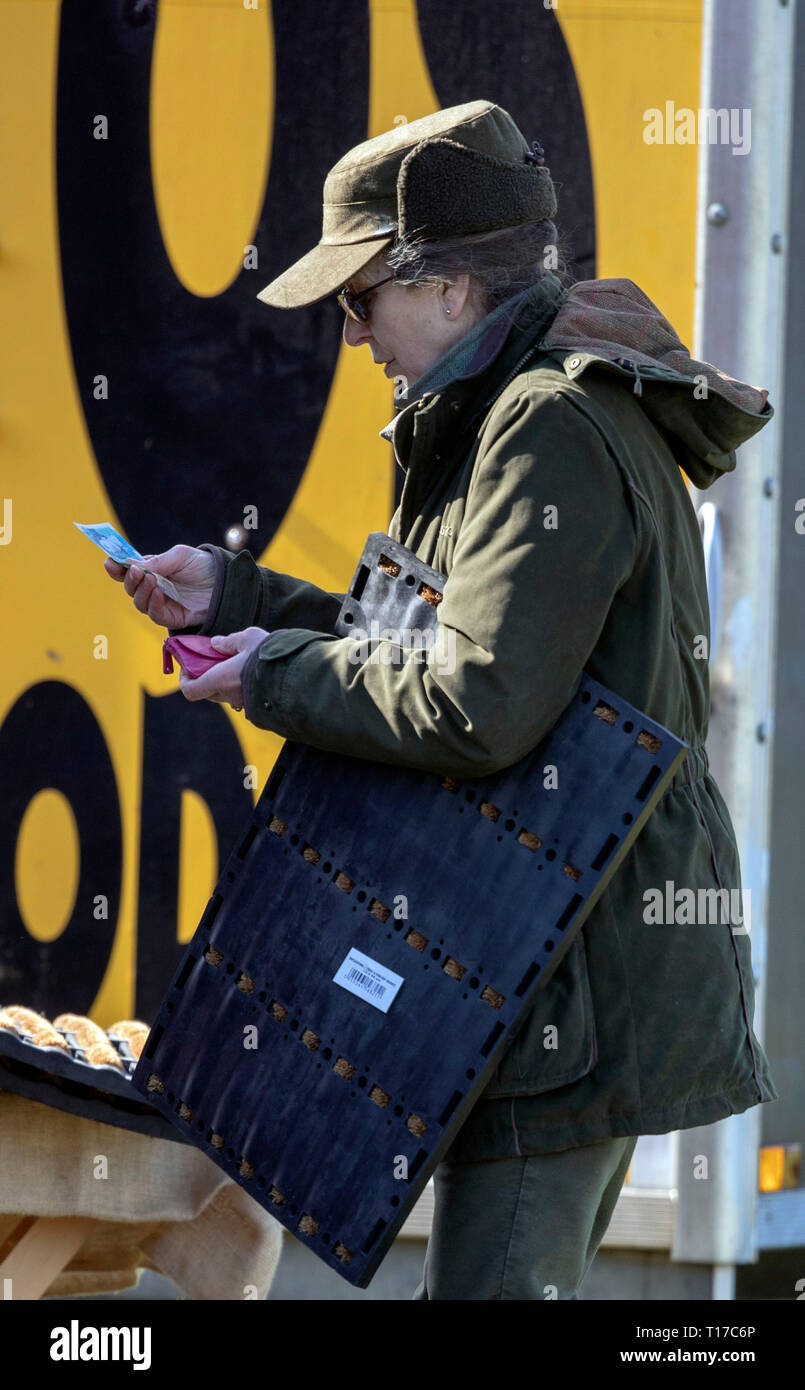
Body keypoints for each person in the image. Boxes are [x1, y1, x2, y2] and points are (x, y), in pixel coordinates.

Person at [106, 100, 778, 1300]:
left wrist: (271, 674)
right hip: (539, 984)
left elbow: (477, 703)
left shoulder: (543, 422)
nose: (349, 335)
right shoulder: (511, 406)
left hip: (558, 1003)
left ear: (452, 291)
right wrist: (237, 597)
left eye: (358, 300)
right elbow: (421, 647)